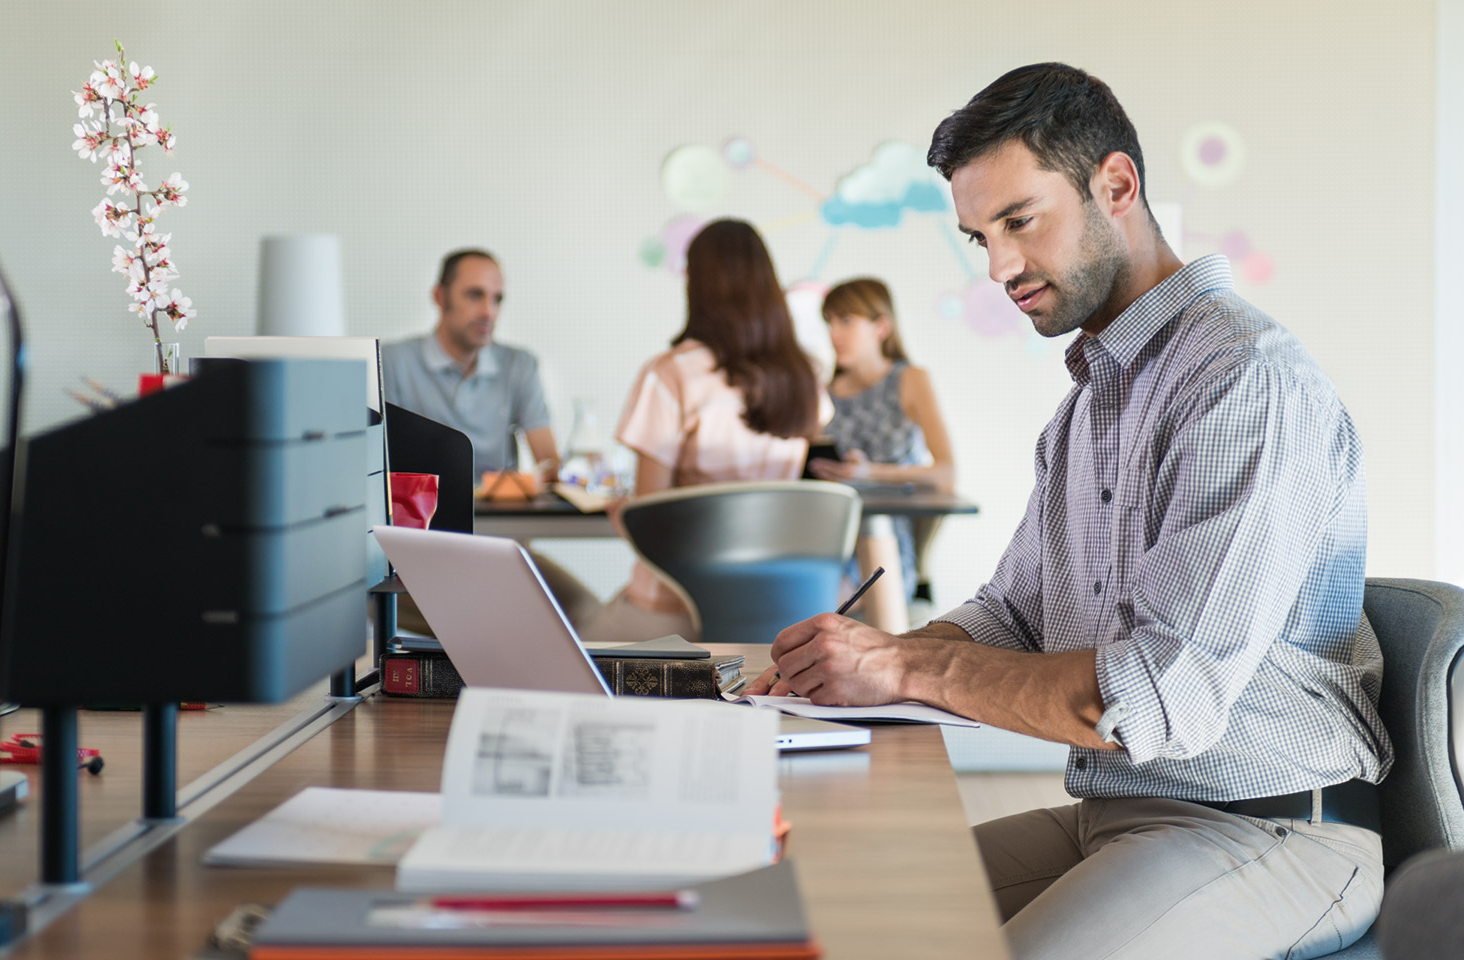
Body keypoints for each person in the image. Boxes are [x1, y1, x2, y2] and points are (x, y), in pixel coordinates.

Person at [745, 63, 1389, 960]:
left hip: (1269, 831)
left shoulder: (1244, 379)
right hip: (1118, 817)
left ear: (1115, 186)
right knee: (801, 911)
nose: (1001, 266)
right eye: (980, 238)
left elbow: (1162, 698)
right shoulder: (1089, 405)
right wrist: (843, 670)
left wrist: (901, 668)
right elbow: (1011, 617)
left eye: (1020, 221)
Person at [584, 219, 829, 644]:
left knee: (561, 629)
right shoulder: (805, 376)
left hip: (674, 613)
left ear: (695, 285)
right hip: (775, 615)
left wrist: (623, 511)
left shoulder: (671, 373)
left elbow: (650, 516)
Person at [809, 278, 957, 633]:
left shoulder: (910, 380)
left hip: (885, 543)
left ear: (881, 326)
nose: (834, 333)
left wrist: (869, 473)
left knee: (810, 603)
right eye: (829, 322)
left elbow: (946, 472)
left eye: (846, 321)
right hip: (829, 539)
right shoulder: (824, 391)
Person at [381, 249, 559, 479]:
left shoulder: (520, 365)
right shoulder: (392, 361)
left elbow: (549, 464)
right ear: (440, 297)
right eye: (475, 295)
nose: (489, 312)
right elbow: (377, 466)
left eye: (497, 299)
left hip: (500, 513)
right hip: (425, 513)